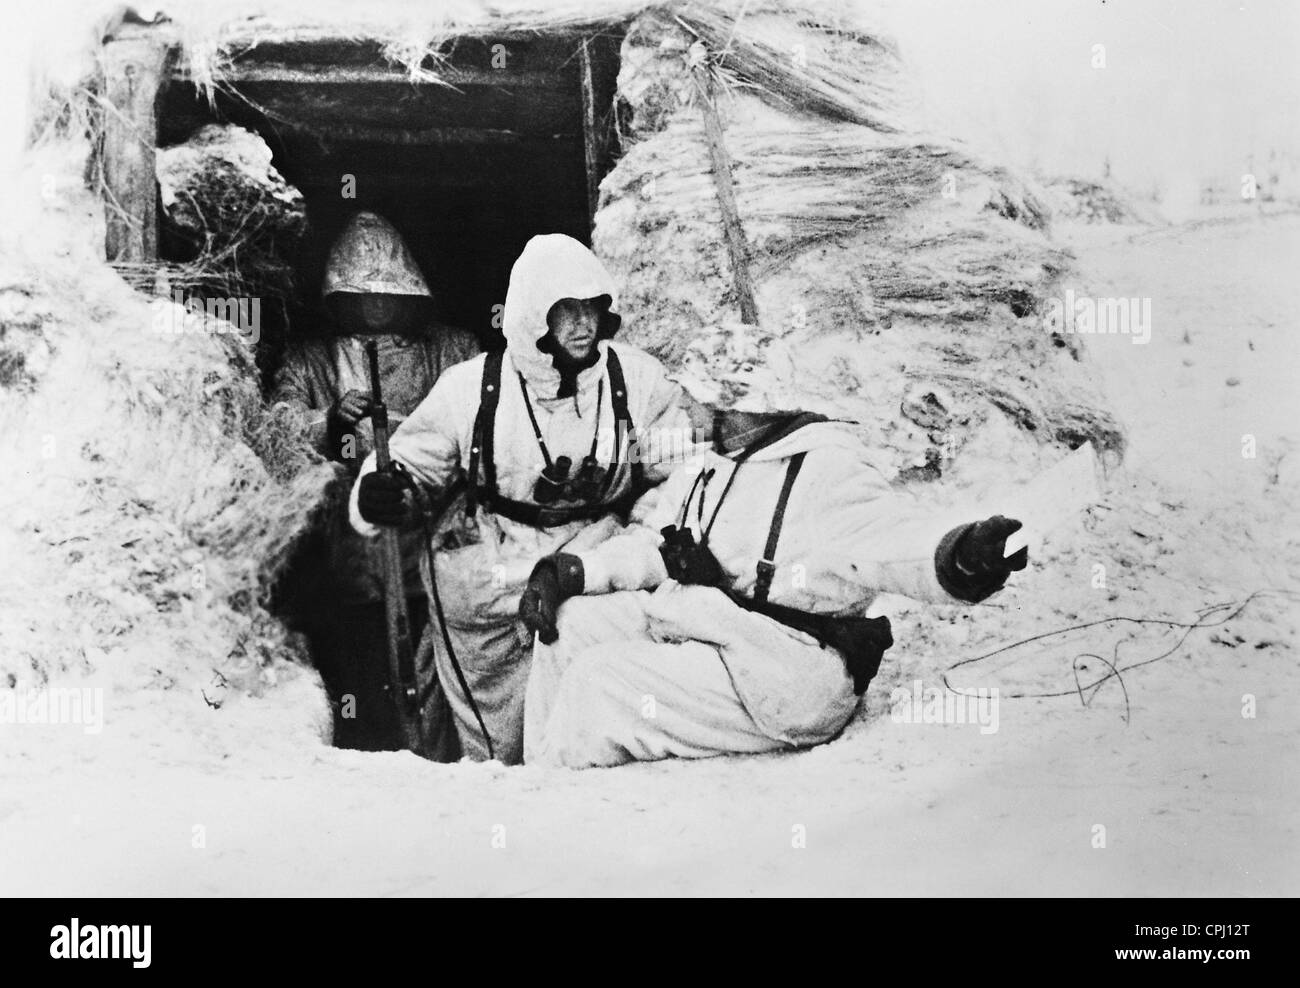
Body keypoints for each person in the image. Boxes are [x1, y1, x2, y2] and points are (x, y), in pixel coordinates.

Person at [516, 321, 1030, 769]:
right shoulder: (712, 463)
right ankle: (540, 772)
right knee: (572, 625)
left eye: (695, 397)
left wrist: (960, 556)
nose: (685, 408)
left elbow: (890, 541)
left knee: (600, 682)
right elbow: (658, 544)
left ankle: (560, 806)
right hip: (720, 628)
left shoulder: (825, 468)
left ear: (734, 404)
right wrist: (576, 572)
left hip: (788, 671)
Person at [349, 233, 690, 764]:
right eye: (565, 310)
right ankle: (498, 788)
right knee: (499, 740)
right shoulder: (473, 386)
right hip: (496, 558)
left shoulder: (637, 380)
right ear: (534, 317)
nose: (582, 324)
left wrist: (640, 534)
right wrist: (380, 491)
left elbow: (682, 470)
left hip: (592, 550)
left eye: (592, 308)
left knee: (586, 701)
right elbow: (414, 460)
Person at [272, 211, 478, 751]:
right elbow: (277, 424)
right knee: (360, 661)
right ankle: (368, 748)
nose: (378, 302)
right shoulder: (312, 360)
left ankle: (438, 753)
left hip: (434, 536)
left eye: (388, 290)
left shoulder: (448, 351)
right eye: (363, 292)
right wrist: (333, 421)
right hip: (349, 548)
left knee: (437, 656)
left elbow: (485, 409)